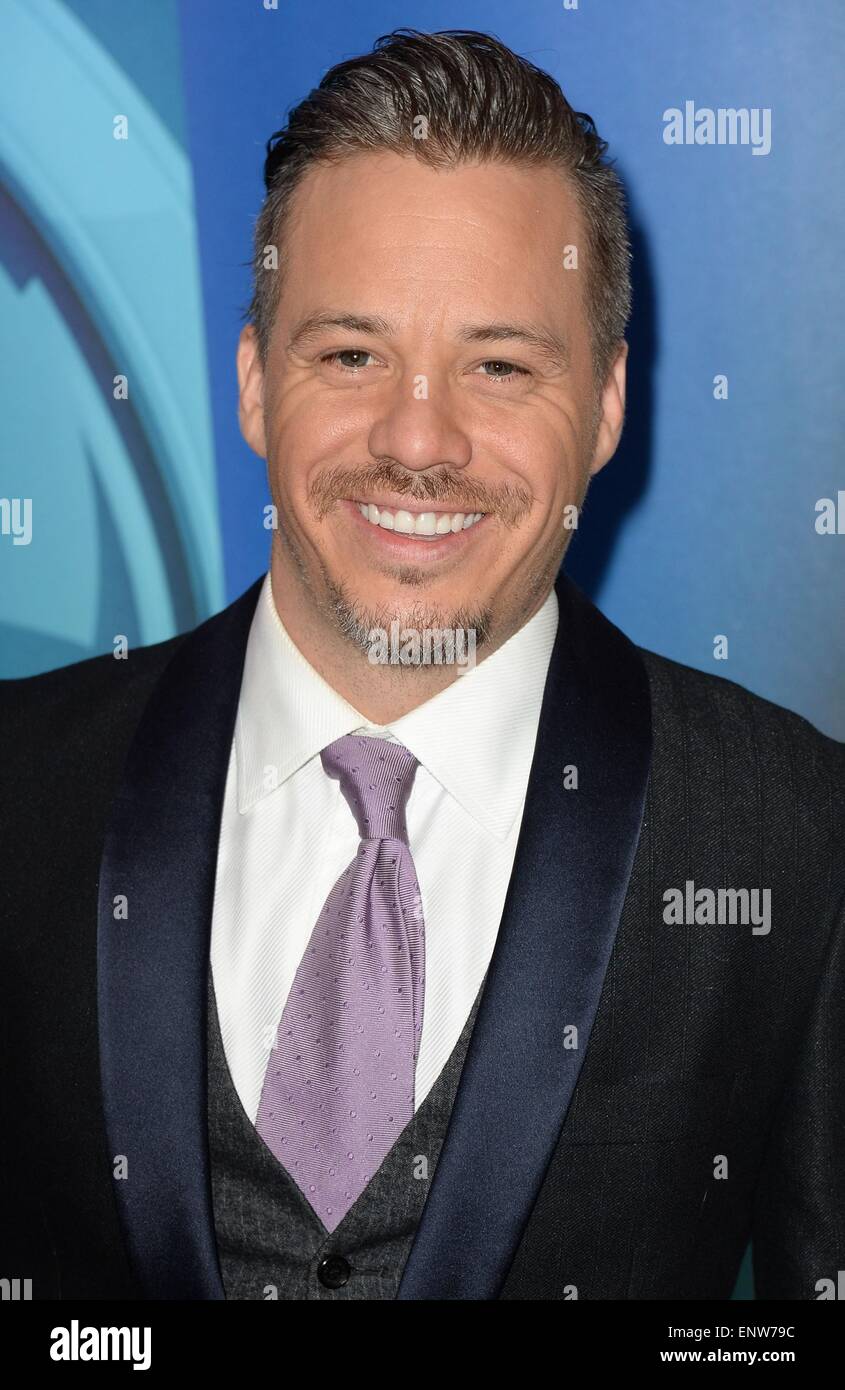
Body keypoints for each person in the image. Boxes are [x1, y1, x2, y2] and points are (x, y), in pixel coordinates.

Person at [1, 28, 843, 1302]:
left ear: (607, 405)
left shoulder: (790, 831)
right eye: (350, 354)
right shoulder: (19, 780)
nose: (417, 438)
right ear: (250, 382)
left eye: (498, 366)